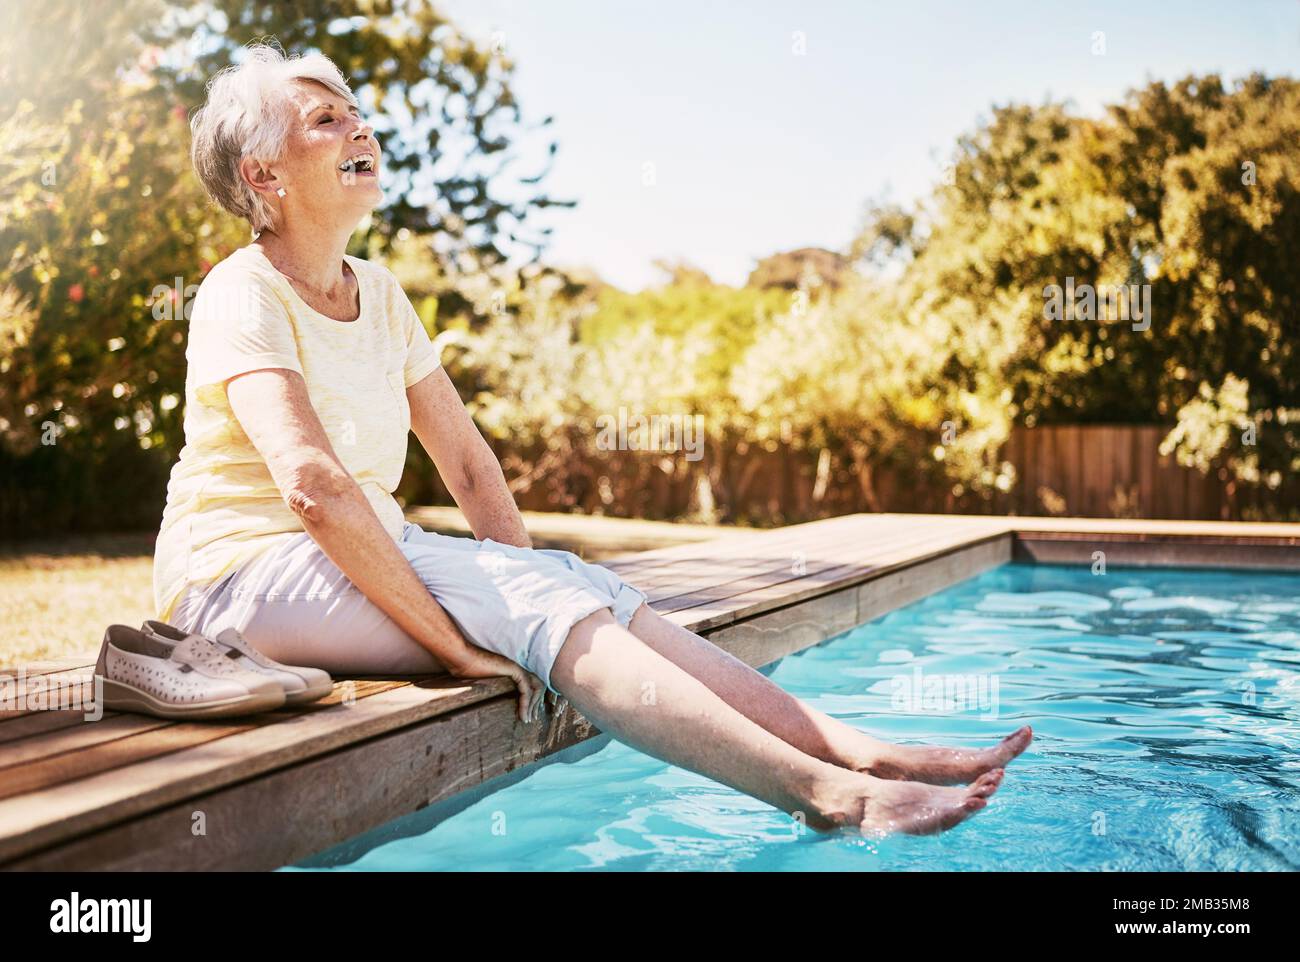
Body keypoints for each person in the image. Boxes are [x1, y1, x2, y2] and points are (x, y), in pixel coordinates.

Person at [155, 42, 1030, 837]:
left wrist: (526, 585)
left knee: (583, 583)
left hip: (356, 555)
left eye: (356, 111)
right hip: (236, 581)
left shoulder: (379, 293)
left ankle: (851, 749)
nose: (362, 126)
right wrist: (469, 644)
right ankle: (830, 795)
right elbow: (312, 485)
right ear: (264, 174)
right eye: (328, 119)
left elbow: (466, 460)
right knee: (540, 606)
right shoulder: (244, 291)